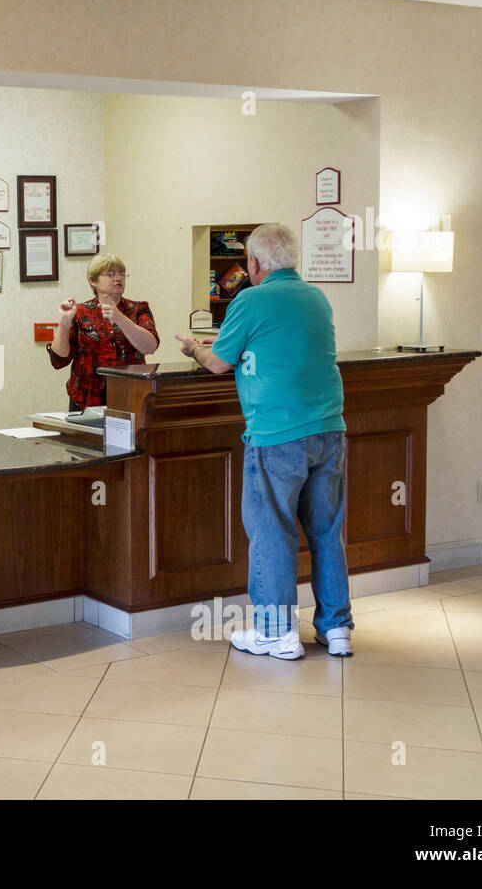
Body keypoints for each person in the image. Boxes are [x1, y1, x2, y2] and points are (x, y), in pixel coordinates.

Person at [174, 223, 353, 661]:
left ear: (252, 264)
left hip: (277, 435)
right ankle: (337, 628)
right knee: (327, 532)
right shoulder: (317, 298)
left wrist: (194, 349)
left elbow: (218, 363)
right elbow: (275, 344)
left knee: (272, 532)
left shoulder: (250, 299)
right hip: (330, 431)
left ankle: (276, 633)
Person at [48, 253, 159, 410]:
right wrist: (64, 322)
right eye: (111, 274)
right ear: (93, 280)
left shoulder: (138, 309)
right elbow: (59, 360)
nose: (118, 278)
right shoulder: (80, 311)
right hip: (86, 399)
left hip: (130, 396)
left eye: (122, 273)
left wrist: (120, 318)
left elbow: (149, 347)